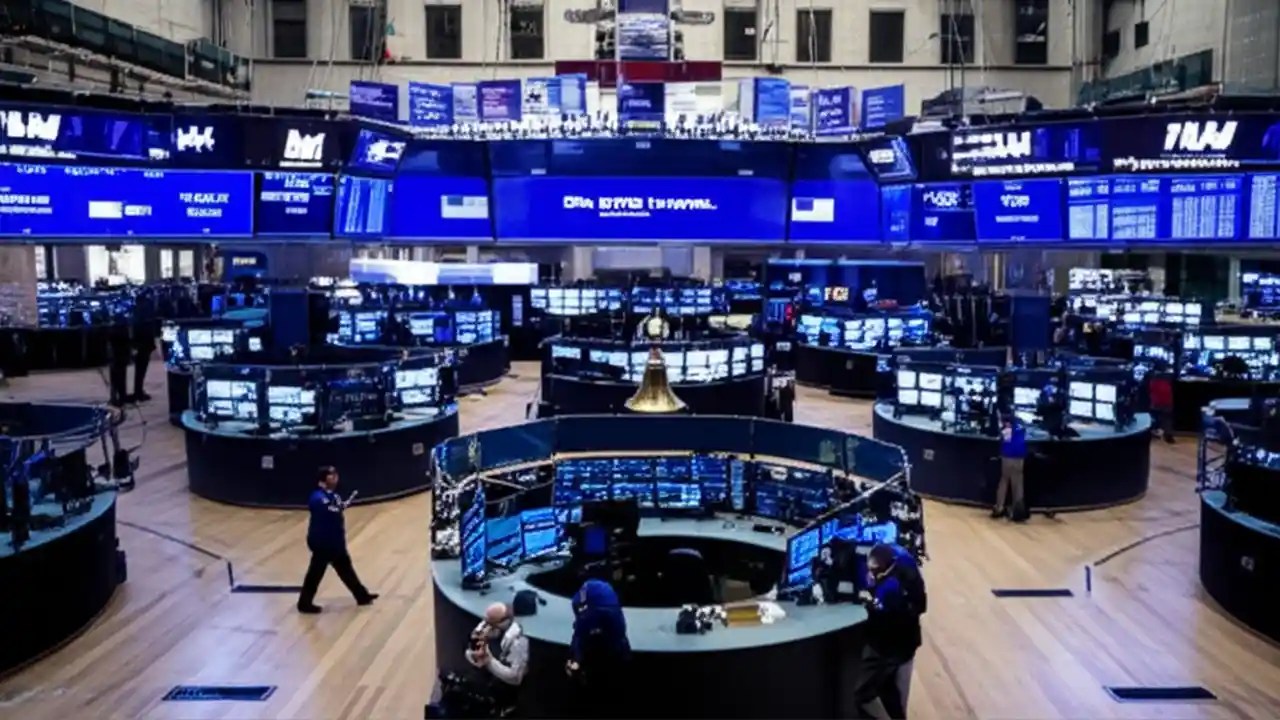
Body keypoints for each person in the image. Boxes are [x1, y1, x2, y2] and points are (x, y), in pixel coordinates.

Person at [854, 543, 927, 720]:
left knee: (864, 697)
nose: (872, 575)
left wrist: (869, 601)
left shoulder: (892, 589)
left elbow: (879, 612)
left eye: (876, 573)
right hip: (905, 643)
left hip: (889, 648)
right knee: (891, 695)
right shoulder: (904, 562)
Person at [297, 466, 378, 614]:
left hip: (336, 542)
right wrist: (337, 507)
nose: (335, 477)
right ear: (322, 480)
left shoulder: (334, 497)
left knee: (346, 570)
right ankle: (304, 603)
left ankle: (362, 597)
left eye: (335, 474)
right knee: (315, 574)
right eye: (330, 475)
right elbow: (326, 508)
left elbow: (337, 508)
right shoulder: (317, 497)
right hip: (322, 542)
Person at [566, 579, 631, 718]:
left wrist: (575, 659)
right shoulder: (601, 595)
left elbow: (579, 635)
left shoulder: (585, 607)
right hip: (616, 643)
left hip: (608, 648)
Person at [464, 602, 529, 716]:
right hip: (487, 683)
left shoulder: (519, 641)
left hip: (509, 691)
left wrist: (489, 661)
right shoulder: (487, 625)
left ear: (504, 621)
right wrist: (473, 655)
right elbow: (469, 649)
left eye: (491, 624)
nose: (487, 627)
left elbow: (515, 678)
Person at [994, 414, 1027, 521]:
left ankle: (999, 508)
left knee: (1004, 481)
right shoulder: (1021, 426)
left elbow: (1004, 439)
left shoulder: (1007, 429)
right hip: (1020, 457)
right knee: (1018, 484)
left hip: (1008, 457)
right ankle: (1018, 511)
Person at [1148, 372, 1175, 444]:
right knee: (1167, 419)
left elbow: (1150, 391)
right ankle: (1168, 436)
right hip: (1167, 403)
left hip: (1156, 403)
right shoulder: (1168, 381)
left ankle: (1152, 433)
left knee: (1153, 418)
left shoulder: (1152, 381)